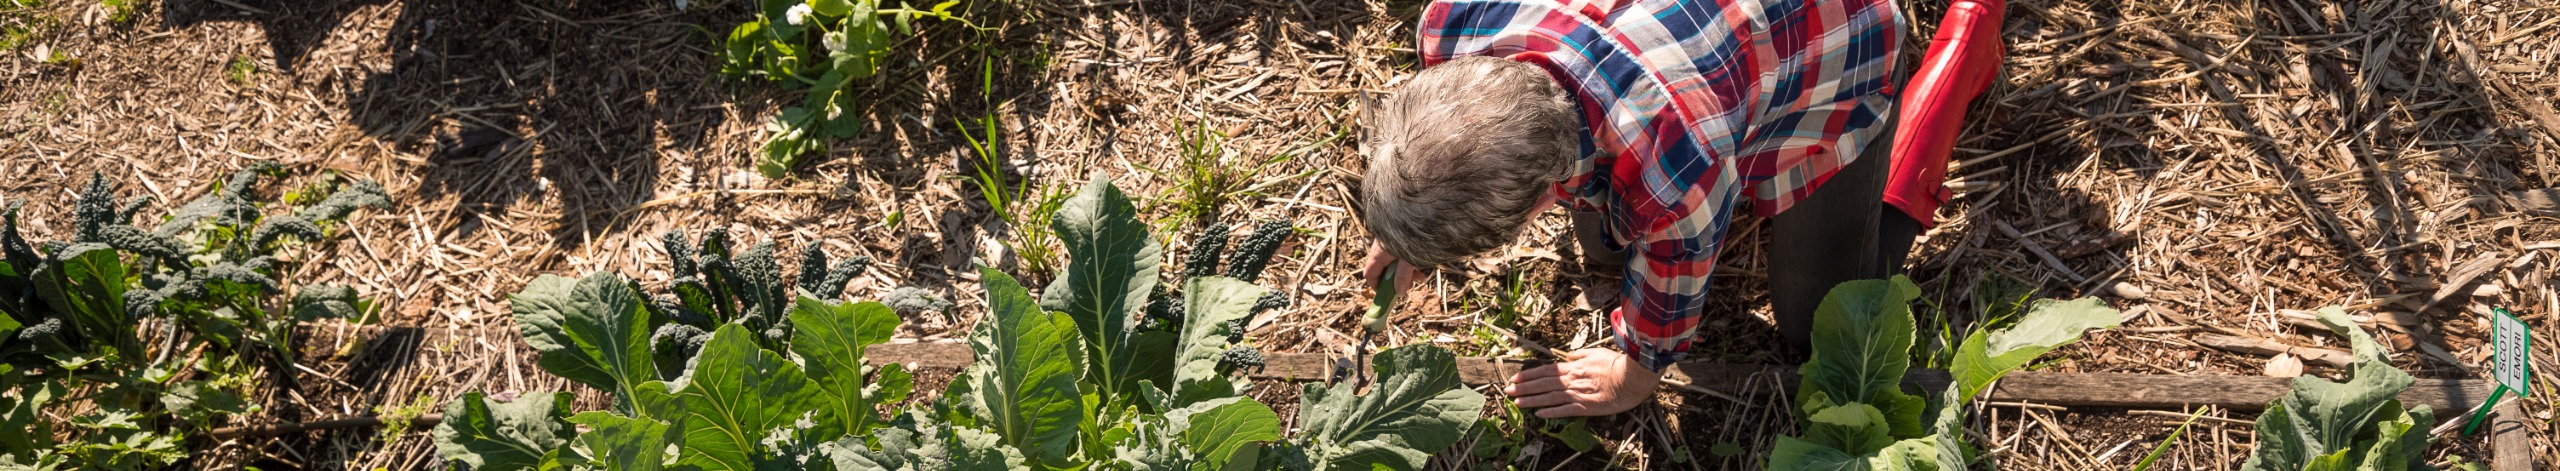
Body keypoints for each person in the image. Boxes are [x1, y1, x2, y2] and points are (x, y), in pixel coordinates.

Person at [1356, 0, 1939, 418]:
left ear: (1540, 200)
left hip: (1840, 43)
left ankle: (1938, 97)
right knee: (1608, 248)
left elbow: (1674, 277)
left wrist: (1631, 377)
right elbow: (1435, 147)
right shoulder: (1452, 22)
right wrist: (1408, 223)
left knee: (1814, 321)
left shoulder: (1675, 163)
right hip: (1704, 51)